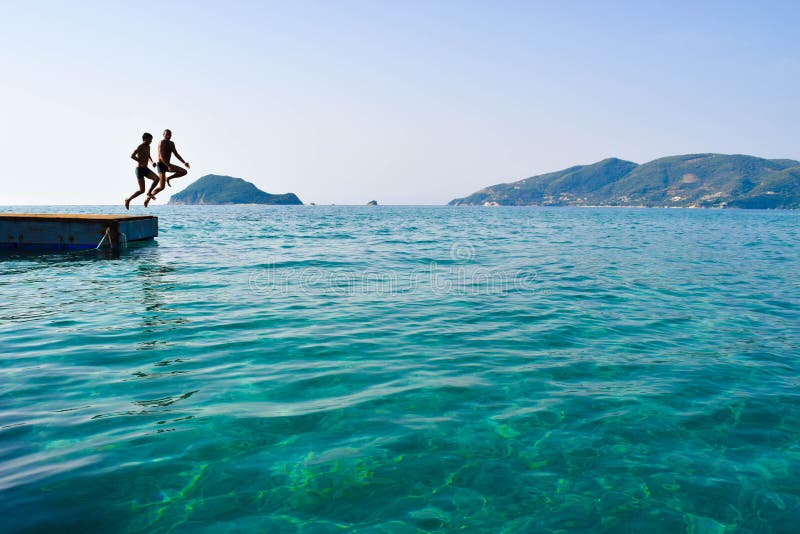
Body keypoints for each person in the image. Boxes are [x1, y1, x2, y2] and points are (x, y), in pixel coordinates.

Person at [147, 129, 190, 206]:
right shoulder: (161, 142)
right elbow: (161, 156)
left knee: (184, 171)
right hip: (161, 165)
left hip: (168, 164)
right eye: (167, 134)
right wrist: (168, 166)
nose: (168, 136)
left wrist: (184, 162)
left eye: (170, 135)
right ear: (163, 135)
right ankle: (148, 198)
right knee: (161, 187)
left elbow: (176, 154)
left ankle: (169, 178)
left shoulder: (171, 143)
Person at [125, 132, 159, 210]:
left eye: (151, 140)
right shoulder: (140, 147)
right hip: (139, 170)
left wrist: (152, 162)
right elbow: (132, 156)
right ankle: (128, 200)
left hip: (146, 169)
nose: (151, 141)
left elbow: (149, 157)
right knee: (141, 190)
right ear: (145, 139)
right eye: (150, 140)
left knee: (157, 179)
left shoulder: (148, 147)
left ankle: (149, 192)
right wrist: (141, 162)